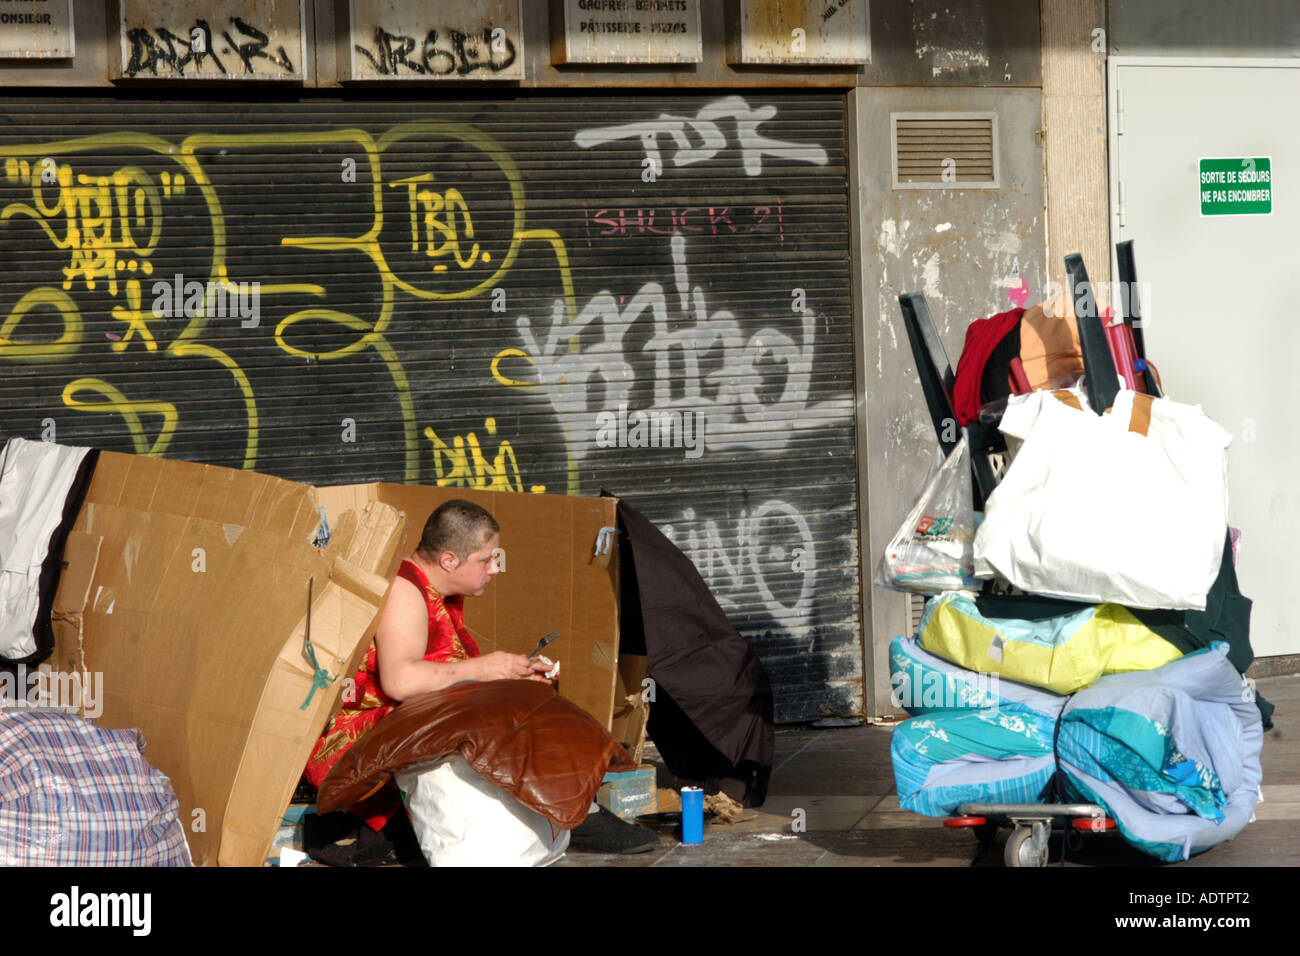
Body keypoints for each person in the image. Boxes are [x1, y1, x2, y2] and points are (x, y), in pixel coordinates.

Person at [303, 498, 552, 851]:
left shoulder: (435, 589)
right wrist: (485, 670)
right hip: (358, 746)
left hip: (404, 724)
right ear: (449, 559)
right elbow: (400, 681)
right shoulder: (405, 591)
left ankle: (556, 809)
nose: (494, 569)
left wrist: (512, 676)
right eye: (485, 560)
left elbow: (448, 673)